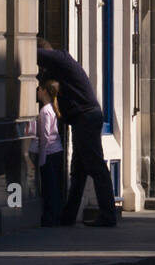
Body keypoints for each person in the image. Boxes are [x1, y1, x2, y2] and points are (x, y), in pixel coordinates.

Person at [37, 38, 117, 226]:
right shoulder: (60, 67)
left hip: (86, 118)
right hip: (83, 118)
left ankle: (108, 215)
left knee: (96, 167)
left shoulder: (59, 58)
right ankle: (69, 216)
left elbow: (29, 51)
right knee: (79, 171)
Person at [36, 79, 65, 226]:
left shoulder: (45, 110)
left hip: (49, 154)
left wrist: (41, 158)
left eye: (39, 89)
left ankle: (50, 217)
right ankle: (56, 215)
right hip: (57, 151)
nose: (38, 92)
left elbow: (45, 136)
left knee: (49, 187)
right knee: (55, 186)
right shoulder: (53, 109)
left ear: (45, 91)